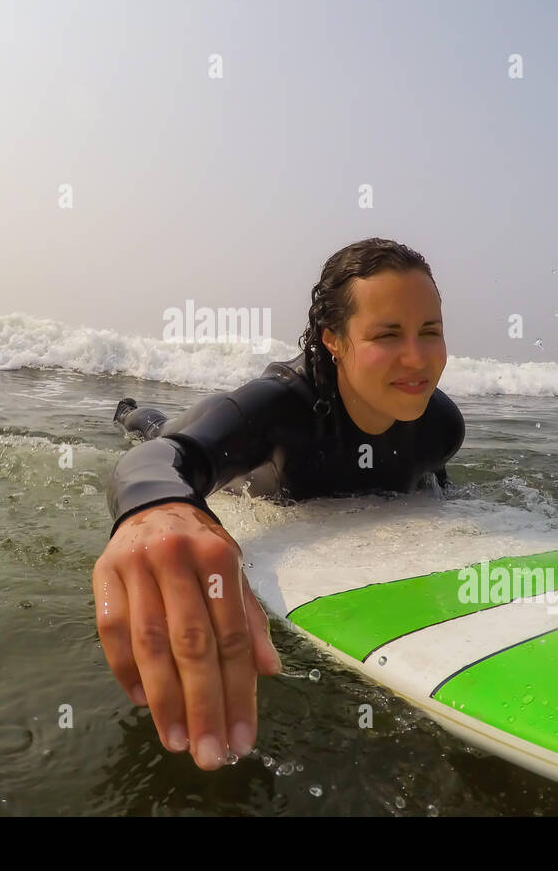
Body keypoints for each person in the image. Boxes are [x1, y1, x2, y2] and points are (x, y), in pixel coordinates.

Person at [92, 238, 465, 770]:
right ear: (333, 340)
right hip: (201, 442)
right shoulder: (277, 408)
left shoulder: (441, 427)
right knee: (149, 427)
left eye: (431, 333)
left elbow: (435, 485)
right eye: (387, 334)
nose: (417, 358)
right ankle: (129, 408)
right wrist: (159, 508)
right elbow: (163, 457)